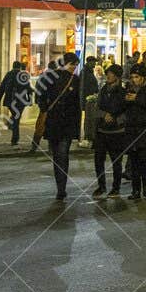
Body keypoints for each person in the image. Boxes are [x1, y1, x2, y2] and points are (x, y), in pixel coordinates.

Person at [38, 54, 82, 201]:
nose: (74, 68)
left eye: (76, 66)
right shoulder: (55, 77)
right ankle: (60, 186)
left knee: (61, 155)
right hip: (56, 122)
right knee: (58, 156)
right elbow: (42, 97)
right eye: (72, 65)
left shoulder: (74, 79)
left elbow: (77, 104)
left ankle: (61, 188)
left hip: (63, 124)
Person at [122, 66, 146, 200]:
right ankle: (135, 190)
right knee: (133, 160)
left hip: (145, 128)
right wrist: (126, 100)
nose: (134, 80)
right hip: (132, 128)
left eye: (137, 77)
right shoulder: (129, 88)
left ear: (143, 77)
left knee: (143, 158)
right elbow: (125, 105)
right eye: (132, 77)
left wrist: (136, 99)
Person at [91, 64, 128, 197]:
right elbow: (96, 107)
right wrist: (103, 115)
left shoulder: (123, 92)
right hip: (102, 130)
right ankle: (101, 186)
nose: (108, 76)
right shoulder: (103, 90)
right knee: (98, 160)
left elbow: (126, 110)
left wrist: (116, 119)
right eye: (108, 73)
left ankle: (116, 187)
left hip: (117, 132)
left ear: (117, 76)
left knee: (116, 161)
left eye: (111, 74)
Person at [0, 61, 30, 146]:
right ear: (20, 67)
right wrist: (29, 100)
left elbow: (2, 88)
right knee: (17, 118)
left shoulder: (8, 75)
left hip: (10, 100)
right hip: (21, 101)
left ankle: (11, 126)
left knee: (15, 116)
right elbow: (28, 88)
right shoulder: (23, 75)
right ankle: (14, 138)